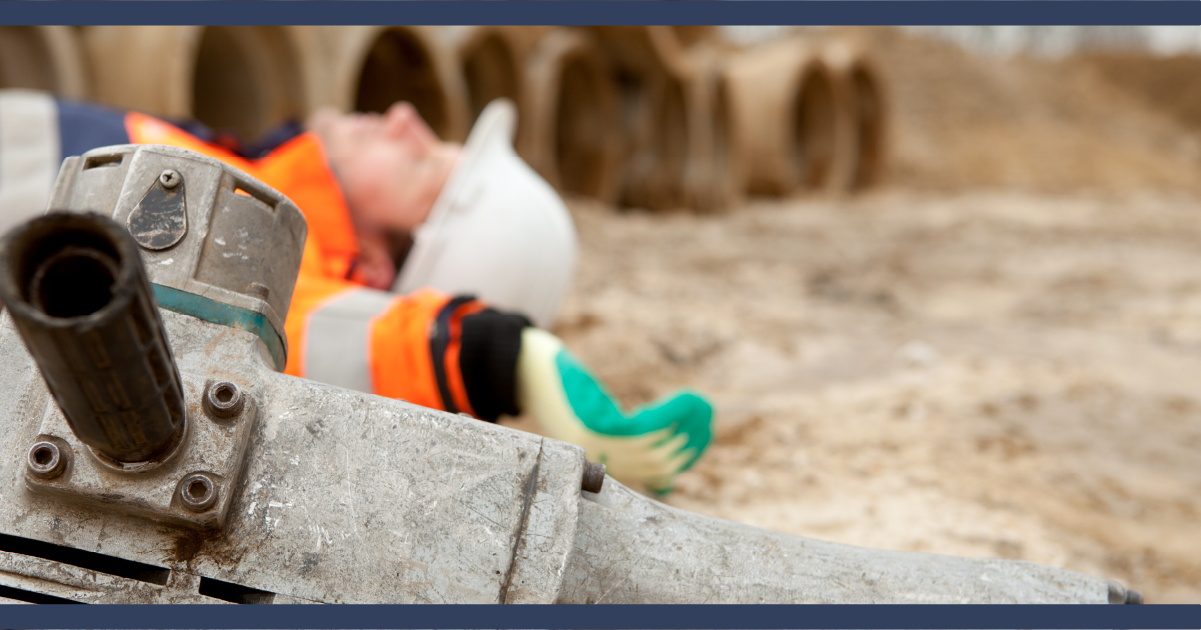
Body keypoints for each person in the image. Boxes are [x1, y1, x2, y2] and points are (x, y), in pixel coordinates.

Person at [0, 89, 712, 493]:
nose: (404, 117)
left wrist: (489, 353)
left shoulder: (245, 243)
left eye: (421, 166)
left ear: (373, 271)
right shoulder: (234, 161)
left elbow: (289, 326)